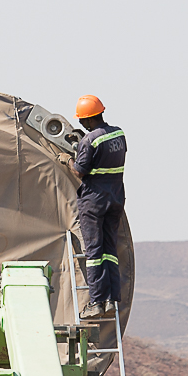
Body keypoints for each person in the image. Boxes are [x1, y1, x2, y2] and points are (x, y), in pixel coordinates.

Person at [61, 95, 126, 320]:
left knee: (94, 252)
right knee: (110, 249)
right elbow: (105, 157)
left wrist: (66, 160)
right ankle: (111, 298)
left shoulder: (90, 141)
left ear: (87, 120)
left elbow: (79, 171)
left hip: (94, 201)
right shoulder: (118, 134)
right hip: (116, 198)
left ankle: (96, 301)